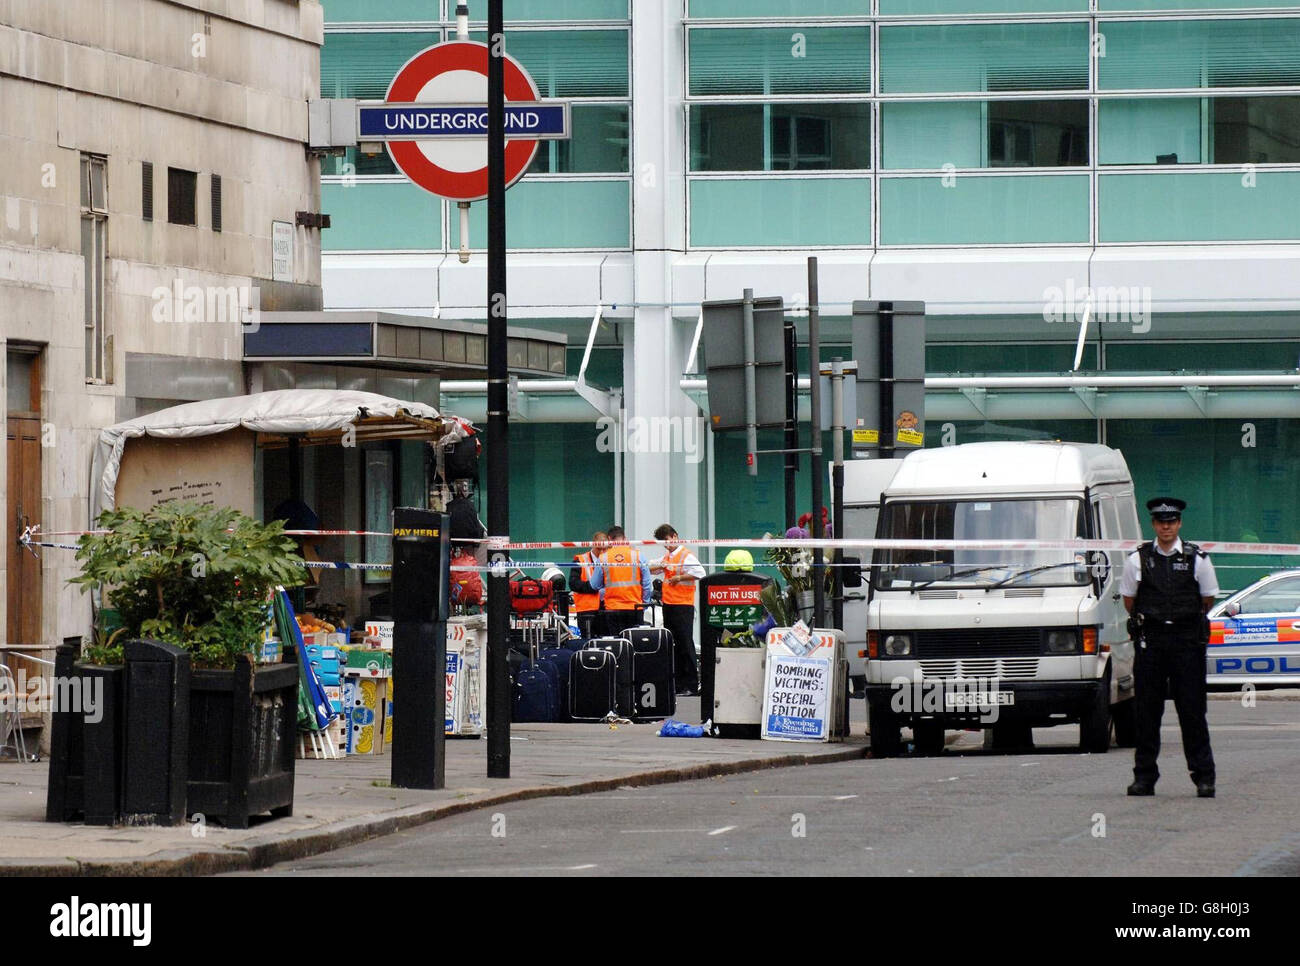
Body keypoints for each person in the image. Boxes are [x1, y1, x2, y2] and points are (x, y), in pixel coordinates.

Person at [1120, 497, 1219, 798]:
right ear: (1153, 524)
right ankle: (1144, 778)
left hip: (1186, 642)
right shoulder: (1137, 559)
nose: (1166, 526)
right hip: (1151, 642)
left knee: (1192, 711)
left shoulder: (1196, 558)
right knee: (1147, 712)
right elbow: (1128, 599)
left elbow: (1207, 598)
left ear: (1179, 524)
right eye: (1161, 521)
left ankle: (1204, 777)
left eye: (1171, 521)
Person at [649, 524, 706, 696]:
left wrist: (680, 577)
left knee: (685, 644)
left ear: (675, 536)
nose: (666, 545)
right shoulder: (669, 555)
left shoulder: (685, 555)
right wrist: (659, 565)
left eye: (667, 541)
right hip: (669, 604)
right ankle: (680, 684)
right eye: (663, 543)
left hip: (683, 605)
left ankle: (691, 684)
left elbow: (700, 572)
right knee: (674, 645)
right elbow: (653, 569)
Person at [589, 525, 651, 637]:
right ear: (624, 538)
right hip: (635, 607)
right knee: (635, 644)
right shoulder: (638, 555)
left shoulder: (603, 558)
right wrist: (645, 603)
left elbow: (594, 585)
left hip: (613, 609)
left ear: (609, 539)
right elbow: (647, 584)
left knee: (617, 645)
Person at [568, 532, 607, 640]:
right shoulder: (580, 560)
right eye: (599, 549)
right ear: (593, 544)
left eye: (604, 549)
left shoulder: (609, 560)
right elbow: (573, 583)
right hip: (586, 610)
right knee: (587, 643)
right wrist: (592, 587)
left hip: (606, 608)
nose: (601, 552)